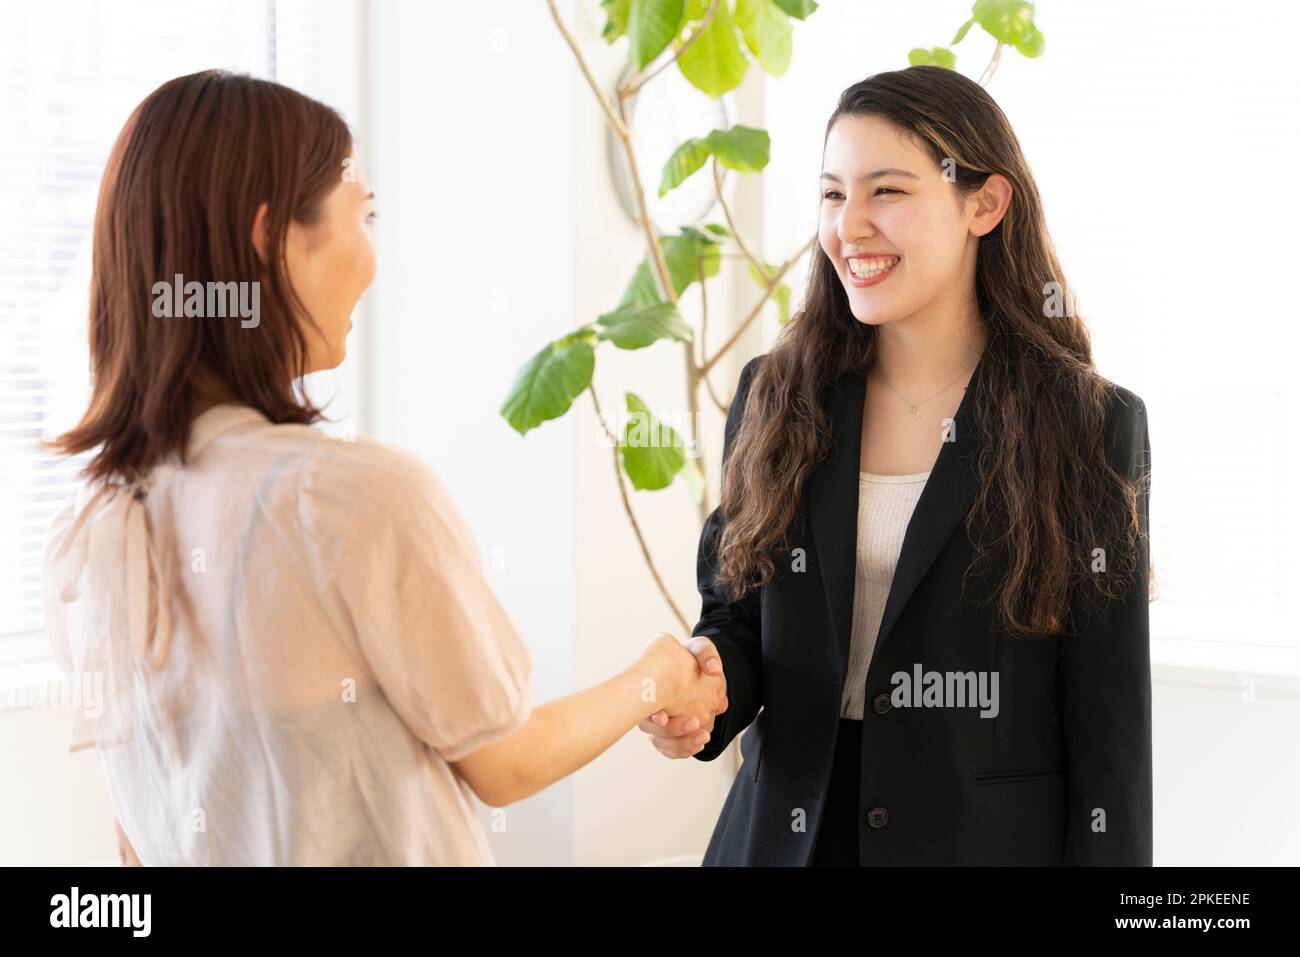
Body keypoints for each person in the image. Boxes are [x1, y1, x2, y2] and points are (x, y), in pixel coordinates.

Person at [42, 69, 724, 866]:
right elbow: (504, 760)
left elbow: (140, 837)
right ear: (272, 241)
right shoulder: (348, 497)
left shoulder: (91, 531)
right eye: (361, 215)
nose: (371, 258)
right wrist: (658, 674)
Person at [641, 66, 1154, 867]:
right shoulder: (776, 394)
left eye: (887, 191)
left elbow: (1109, 730)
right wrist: (706, 691)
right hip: (784, 839)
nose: (850, 227)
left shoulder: (1088, 426)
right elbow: (738, 618)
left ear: (984, 204)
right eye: (833, 195)